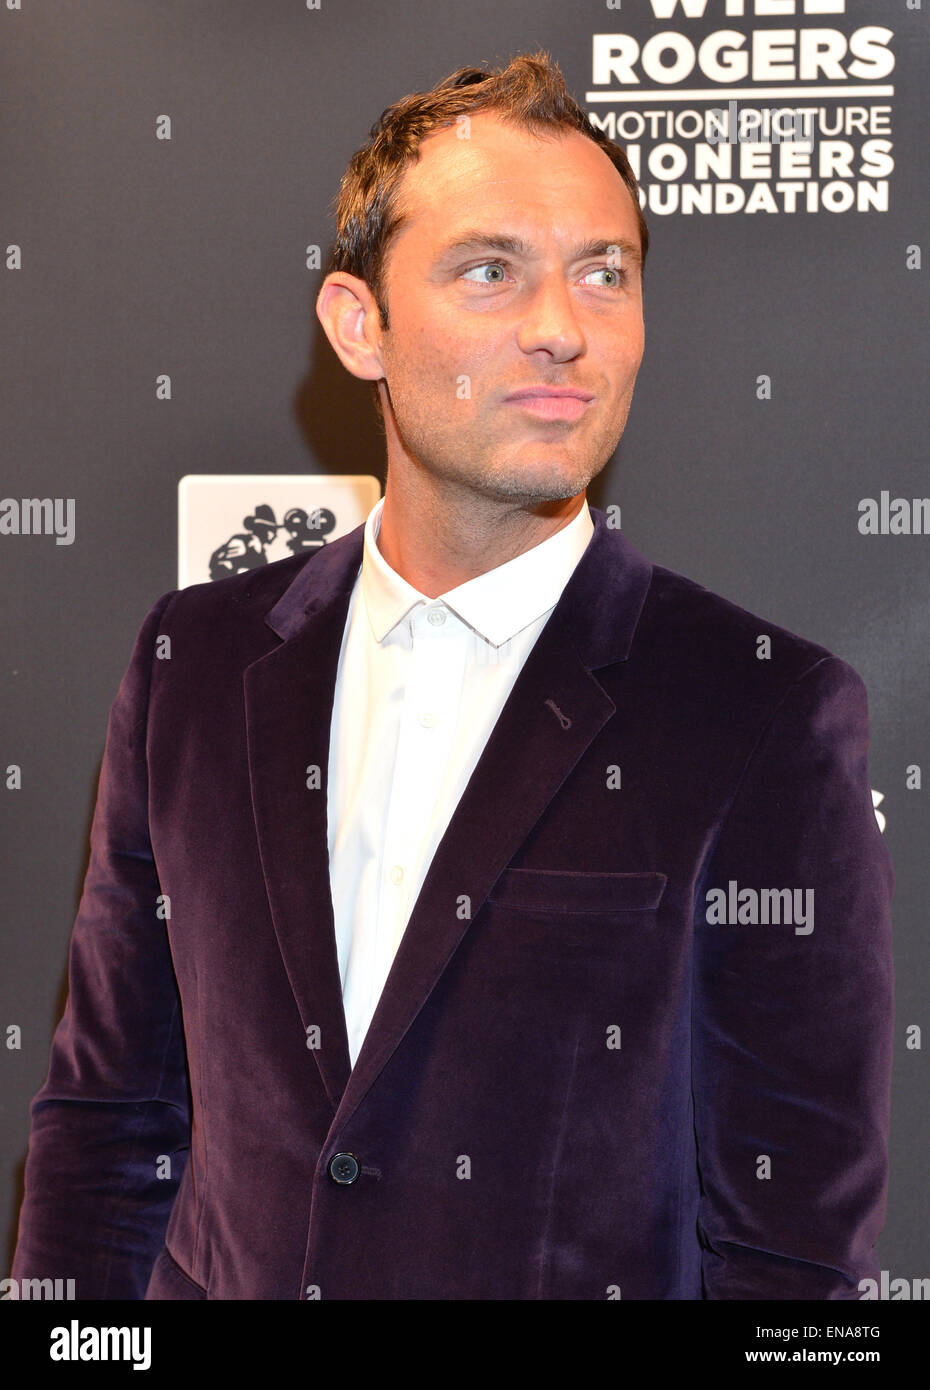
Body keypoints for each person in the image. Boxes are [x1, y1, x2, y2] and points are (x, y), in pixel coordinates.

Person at [11, 50, 893, 1301]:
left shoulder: (757, 710)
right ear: (357, 326)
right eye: (491, 270)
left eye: (606, 273)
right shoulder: (194, 665)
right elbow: (111, 1123)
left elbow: (791, 1255)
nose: (561, 326)